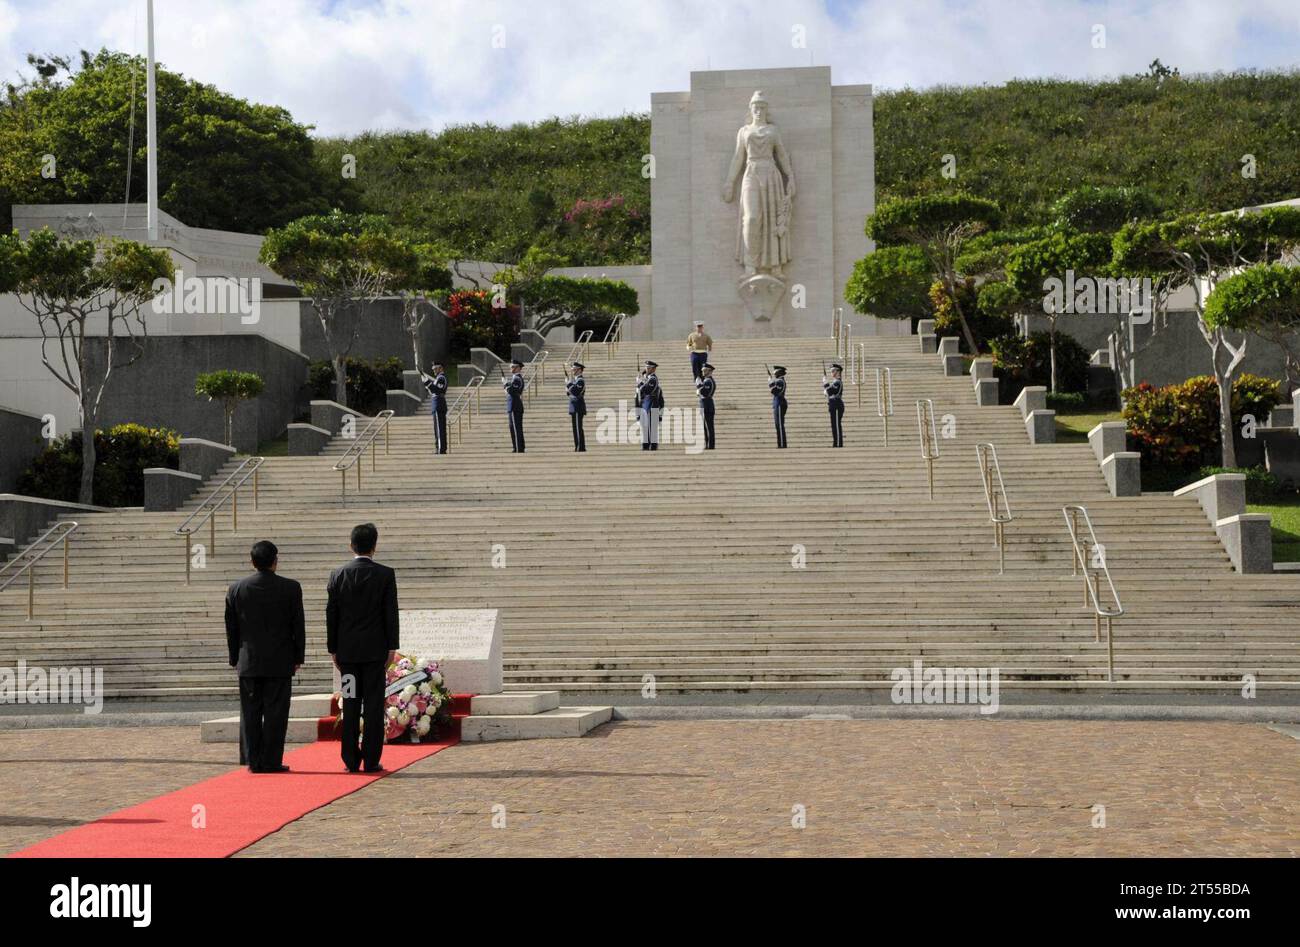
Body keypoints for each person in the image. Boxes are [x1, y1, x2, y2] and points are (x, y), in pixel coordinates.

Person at [224, 540, 305, 774]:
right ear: (275, 561)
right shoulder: (291, 588)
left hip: (248, 660)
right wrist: (298, 655)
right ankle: (271, 759)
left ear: (252, 562)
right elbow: (297, 626)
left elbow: (232, 629)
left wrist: (234, 658)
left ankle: (252, 758)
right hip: (280, 660)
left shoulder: (236, 589)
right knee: (276, 712)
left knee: (250, 710)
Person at [326, 523, 399, 774]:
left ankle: (349, 759)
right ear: (374, 546)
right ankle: (370, 759)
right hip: (375, 654)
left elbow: (331, 615)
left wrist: (333, 648)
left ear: (351, 545)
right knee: (373, 704)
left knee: (350, 702)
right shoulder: (385, 574)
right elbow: (390, 614)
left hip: (347, 655)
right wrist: (392, 646)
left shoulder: (337, 575)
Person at [420, 361, 450, 454]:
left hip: (438, 404)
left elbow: (437, 390)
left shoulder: (441, 378)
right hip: (437, 404)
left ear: (440, 368)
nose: (433, 370)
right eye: (433, 369)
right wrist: (427, 384)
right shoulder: (438, 378)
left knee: (439, 428)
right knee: (438, 428)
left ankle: (441, 449)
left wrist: (427, 382)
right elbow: (432, 390)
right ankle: (440, 448)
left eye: (435, 368)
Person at [636, 359, 661, 451]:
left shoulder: (653, 379)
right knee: (645, 425)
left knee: (652, 426)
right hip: (645, 403)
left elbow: (647, 390)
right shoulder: (647, 378)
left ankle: (653, 445)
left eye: (649, 368)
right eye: (646, 368)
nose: (647, 369)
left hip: (652, 403)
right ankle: (646, 444)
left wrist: (640, 384)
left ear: (654, 369)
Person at [503, 358, 526, 453]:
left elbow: (512, 391)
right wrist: (507, 385)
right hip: (513, 405)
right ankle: (518, 447)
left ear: (518, 368)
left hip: (514, 406)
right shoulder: (514, 378)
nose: (511, 368)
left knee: (516, 428)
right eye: (510, 367)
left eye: (512, 367)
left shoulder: (517, 378)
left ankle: (518, 448)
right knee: (514, 428)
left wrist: (505, 383)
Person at [566, 362, 587, 452]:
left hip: (578, 406)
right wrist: (569, 386)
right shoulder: (575, 380)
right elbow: (569, 393)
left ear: (579, 370)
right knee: (575, 428)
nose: (573, 371)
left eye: (575, 370)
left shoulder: (580, 380)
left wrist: (569, 384)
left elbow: (576, 392)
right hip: (573, 406)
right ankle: (577, 446)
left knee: (578, 428)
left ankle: (580, 447)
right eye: (573, 369)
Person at [823, 363, 845, 448]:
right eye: (831, 371)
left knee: (836, 424)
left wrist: (825, 383)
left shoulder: (838, 382)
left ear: (838, 372)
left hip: (836, 404)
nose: (832, 373)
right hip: (832, 404)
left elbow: (829, 392)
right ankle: (836, 443)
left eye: (833, 371)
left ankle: (838, 443)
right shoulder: (834, 383)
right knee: (834, 425)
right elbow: (827, 393)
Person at [696, 362, 717, 450]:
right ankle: (707, 444)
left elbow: (704, 392)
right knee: (705, 425)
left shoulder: (708, 381)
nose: (703, 372)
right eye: (703, 370)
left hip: (707, 404)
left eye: (705, 370)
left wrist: (698, 387)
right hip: (704, 403)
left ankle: (710, 445)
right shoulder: (706, 381)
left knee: (708, 426)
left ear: (710, 371)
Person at [769, 365, 788, 448]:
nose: (774, 374)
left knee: (780, 425)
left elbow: (775, 391)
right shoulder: (778, 381)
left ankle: (782, 444)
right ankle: (780, 443)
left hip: (780, 403)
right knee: (778, 425)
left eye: (776, 372)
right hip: (777, 403)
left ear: (779, 372)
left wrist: (770, 382)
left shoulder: (780, 381)